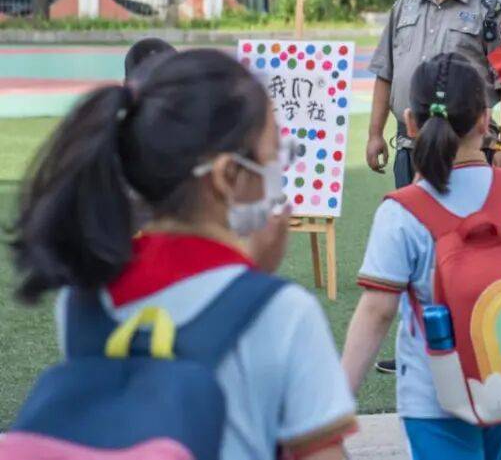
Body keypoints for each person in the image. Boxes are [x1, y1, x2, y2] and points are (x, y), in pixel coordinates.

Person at [9, 50, 356, 460]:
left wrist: (247, 277)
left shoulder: (81, 300)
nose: (278, 170)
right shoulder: (285, 313)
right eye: (273, 153)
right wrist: (254, 285)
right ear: (228, 175)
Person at [341, 53, 501, 460]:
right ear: (485, 122)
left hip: (433, 397)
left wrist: (334, 408)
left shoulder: (402, 211)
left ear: (410, 124)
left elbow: (376, 313)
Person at [367, 0, 501, 190]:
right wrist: (375, 134)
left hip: (466, 148)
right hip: (411, 146)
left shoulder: (490, 12)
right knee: (412, 216)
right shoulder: (405, 5)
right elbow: (385, 73)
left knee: (465, 217)